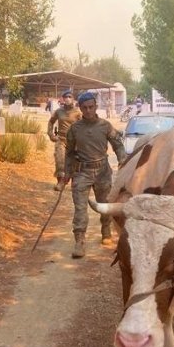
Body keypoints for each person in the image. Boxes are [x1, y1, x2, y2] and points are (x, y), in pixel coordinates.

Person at [59, 92, 127, 258]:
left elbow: (118, 145)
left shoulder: (105, 126)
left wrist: (123, 161)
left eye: (91, 107)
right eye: (85, 108)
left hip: (102, 171)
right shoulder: (75, 129)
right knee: (80, 208)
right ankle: (79, 241)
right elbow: (69, 152)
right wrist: (67, 173)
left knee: (105, 204)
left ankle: (106, 230)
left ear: (96, 107)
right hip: (81, 172)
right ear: (80, 108)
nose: (88, 110)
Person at [47, 90, 82, 189]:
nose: (67, 99)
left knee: (75, 162)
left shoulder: (78, 112)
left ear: (73, 99)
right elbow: (51, 122)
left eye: (70, 97)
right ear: (63, 99)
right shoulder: (59, 111)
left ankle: (74, 183)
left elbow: (83, 126)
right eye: (66, 97)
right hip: (61, 139)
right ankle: (60, 182)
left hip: (74, 141)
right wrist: (51, 134)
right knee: (60, 160)